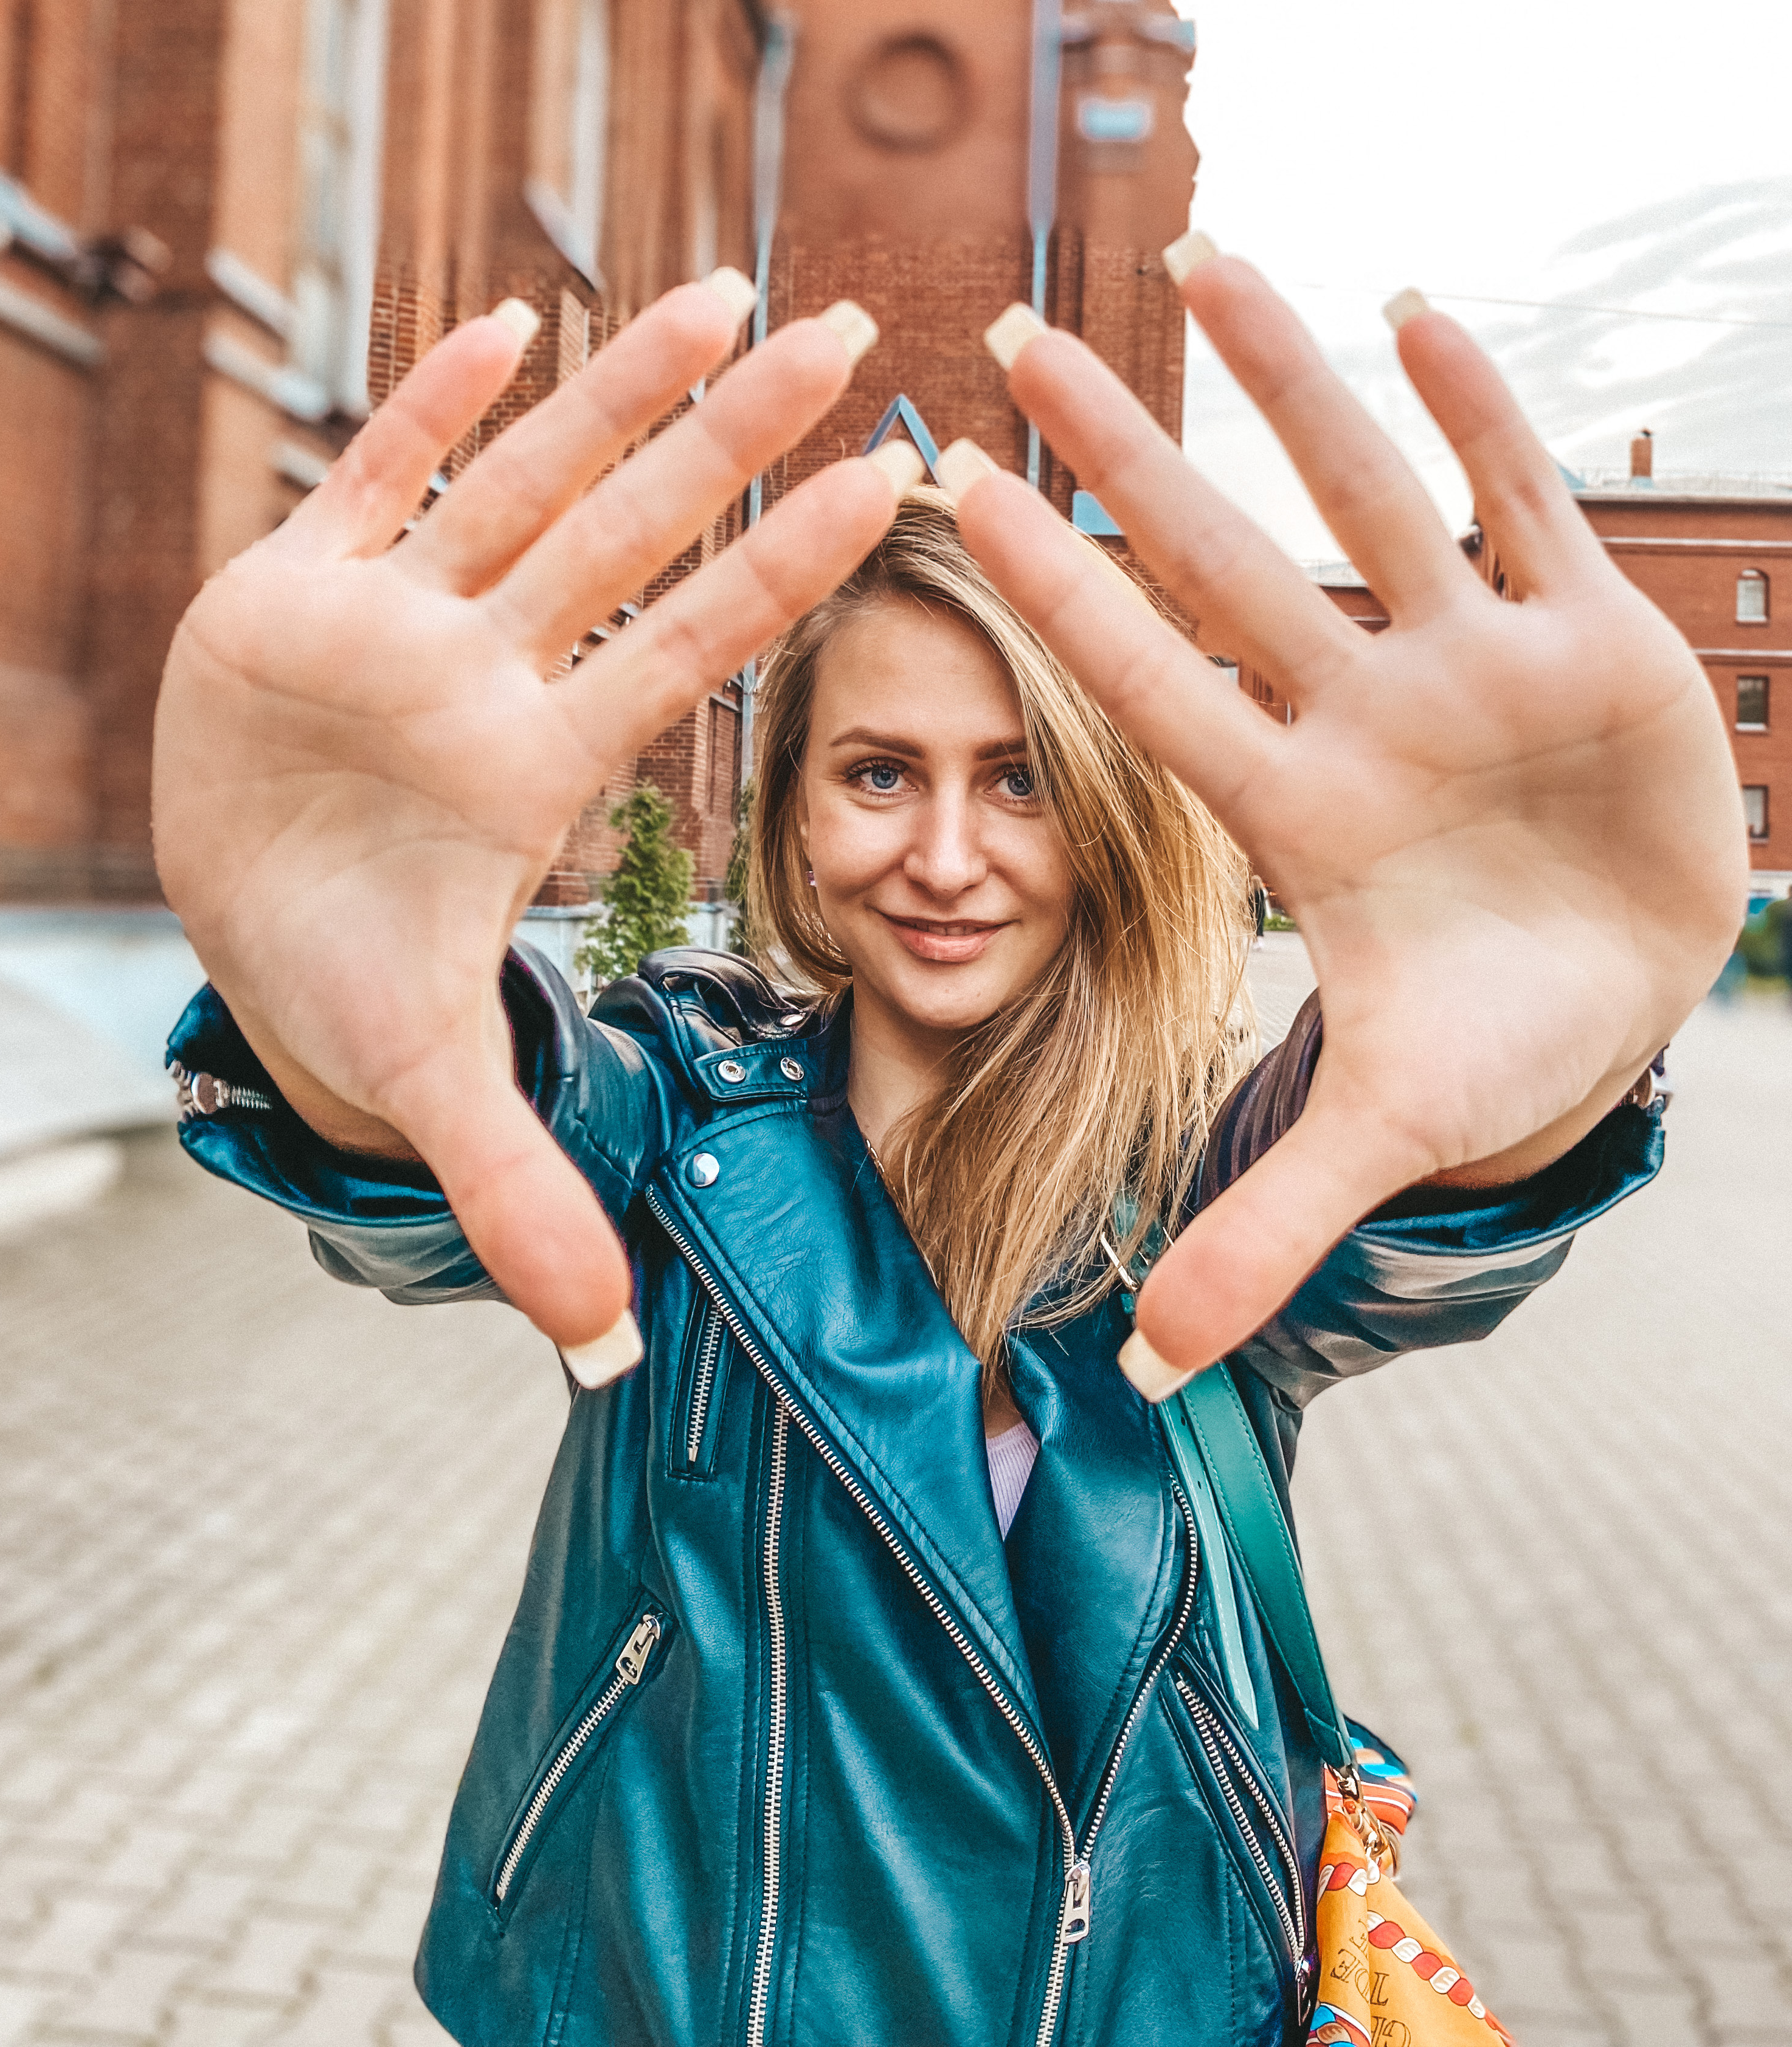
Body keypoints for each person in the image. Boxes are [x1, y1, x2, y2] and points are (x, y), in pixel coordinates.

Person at [156, 245, 1744, 2047]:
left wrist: (1547, 1071)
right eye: (880, 772)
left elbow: (1408, 1224)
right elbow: (458, 1153)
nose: (945, 857)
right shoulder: (679, 1110)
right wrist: (343, 1025)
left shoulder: (1208, 1181)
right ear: (794, 809)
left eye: (1019, 779)